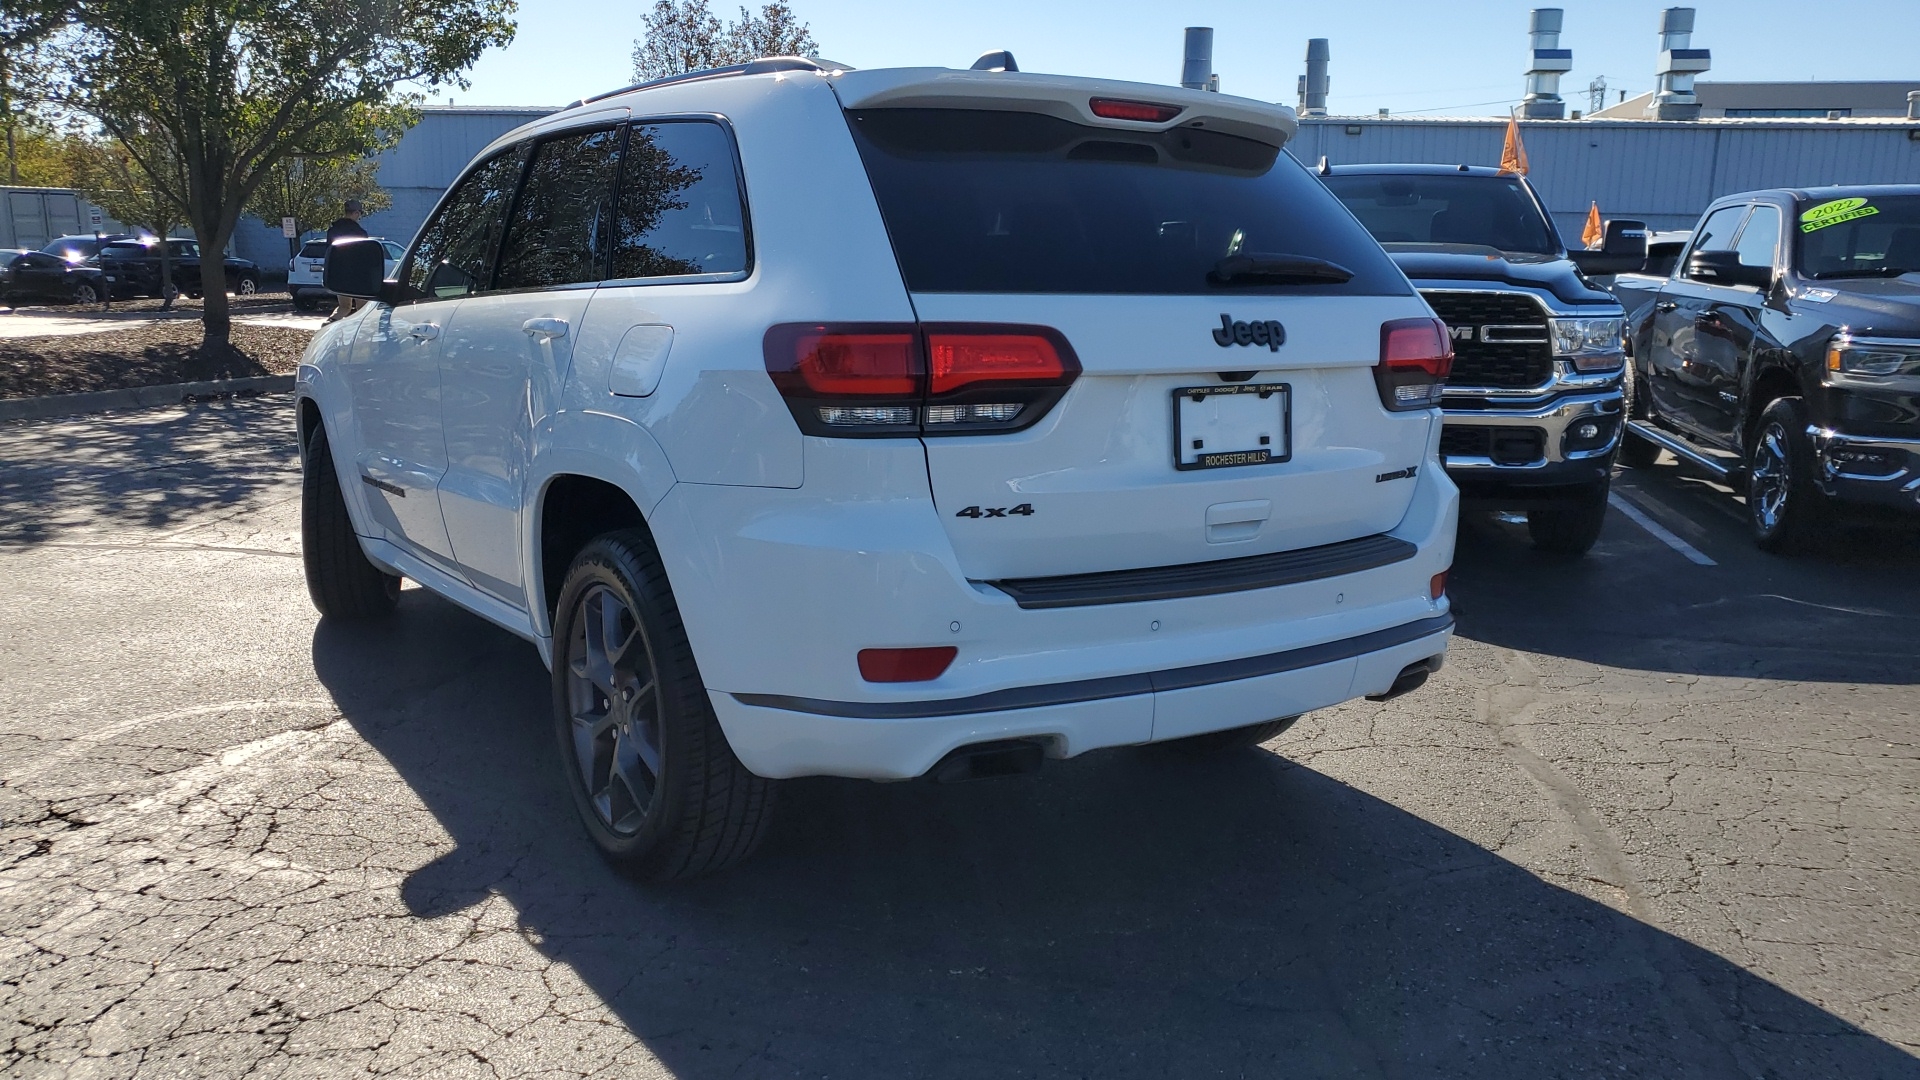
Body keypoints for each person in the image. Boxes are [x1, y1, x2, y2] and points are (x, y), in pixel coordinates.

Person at [324, 200, 369, 321]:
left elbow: (329, 253)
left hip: (339, 276)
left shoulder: (332, 231)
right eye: (359, 213)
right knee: (363, 308)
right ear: (355, 213)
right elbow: (364, 257)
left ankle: (328, 325)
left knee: (344, 307)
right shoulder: (360, 233)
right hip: (357, 276)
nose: (359, 216)